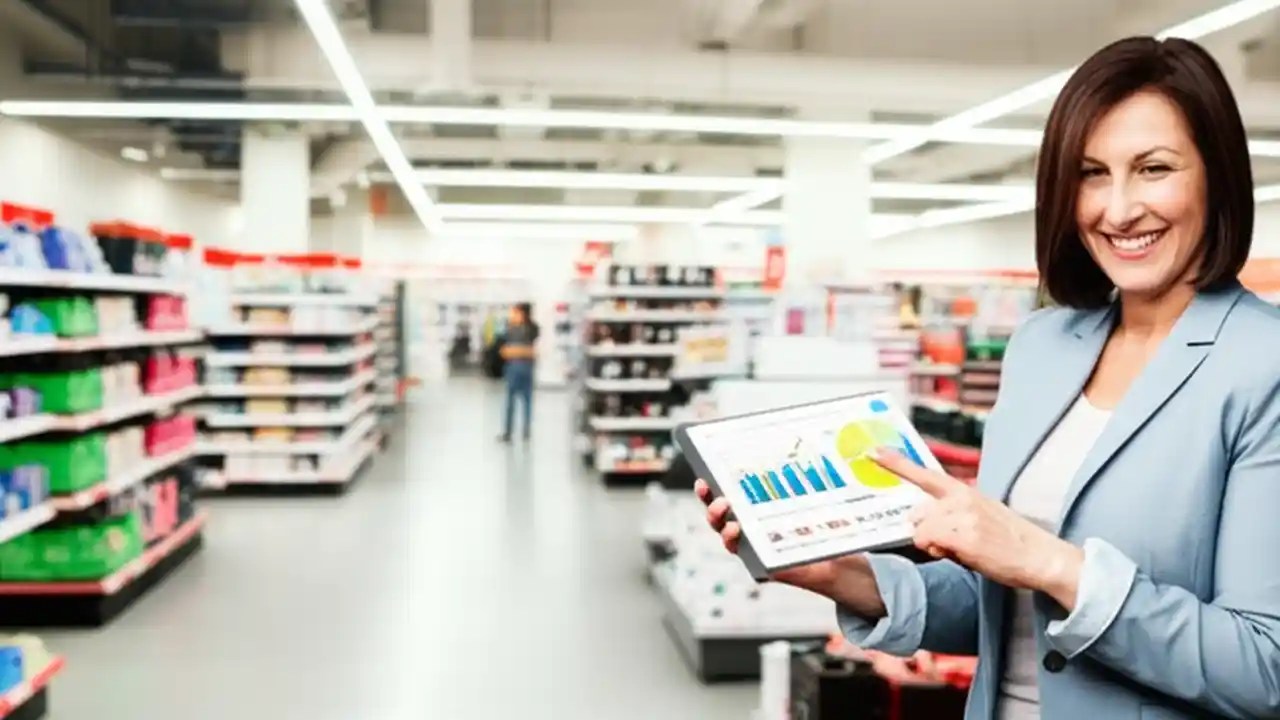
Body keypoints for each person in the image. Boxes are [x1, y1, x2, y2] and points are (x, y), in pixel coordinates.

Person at [697, 36, 1280, 720]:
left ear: (1218, 175)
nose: (1117, 210)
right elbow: (1000, 607)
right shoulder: (1043, 346)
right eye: (1092, 173)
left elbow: (1262, 667)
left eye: (1153, 169)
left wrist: (1052, 563)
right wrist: (842, 577)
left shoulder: (1261, 366)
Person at [497, 302, 538, 442]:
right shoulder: (531, 329)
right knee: (523, 401)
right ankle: (523, 432)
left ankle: (511, 432)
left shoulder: (515, 329)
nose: (512, 314)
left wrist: (514, 352)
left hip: (517, 368)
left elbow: (506, 350)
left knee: (514, 401)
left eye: (515, 312)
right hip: (524, 367)